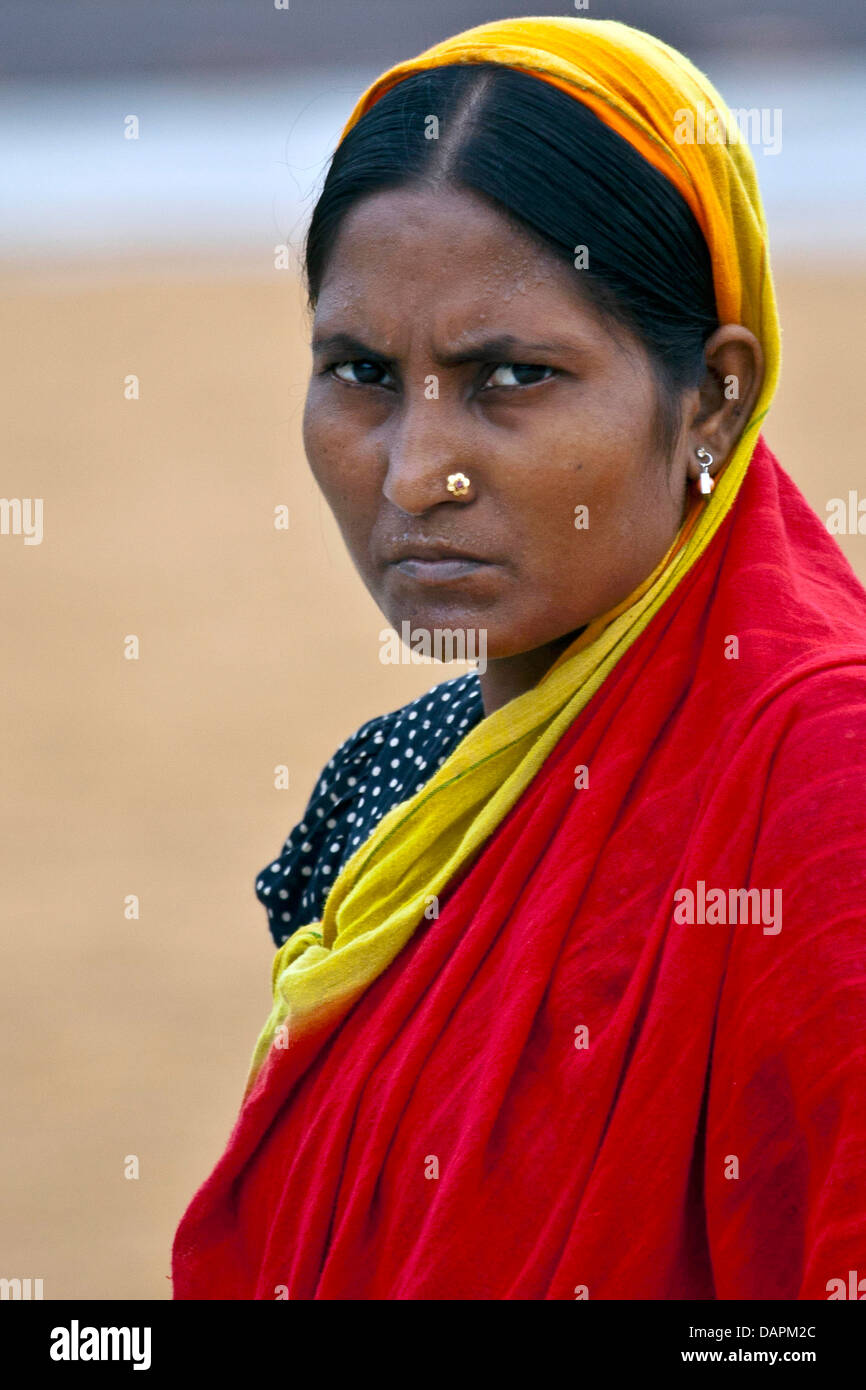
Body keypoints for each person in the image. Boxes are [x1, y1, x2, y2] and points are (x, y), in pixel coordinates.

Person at [172, 16, 866, 1300]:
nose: (413, 470)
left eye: (509, 376)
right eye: (361, 372)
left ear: (711, 396)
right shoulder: (388, 789)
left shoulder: (826, 776)